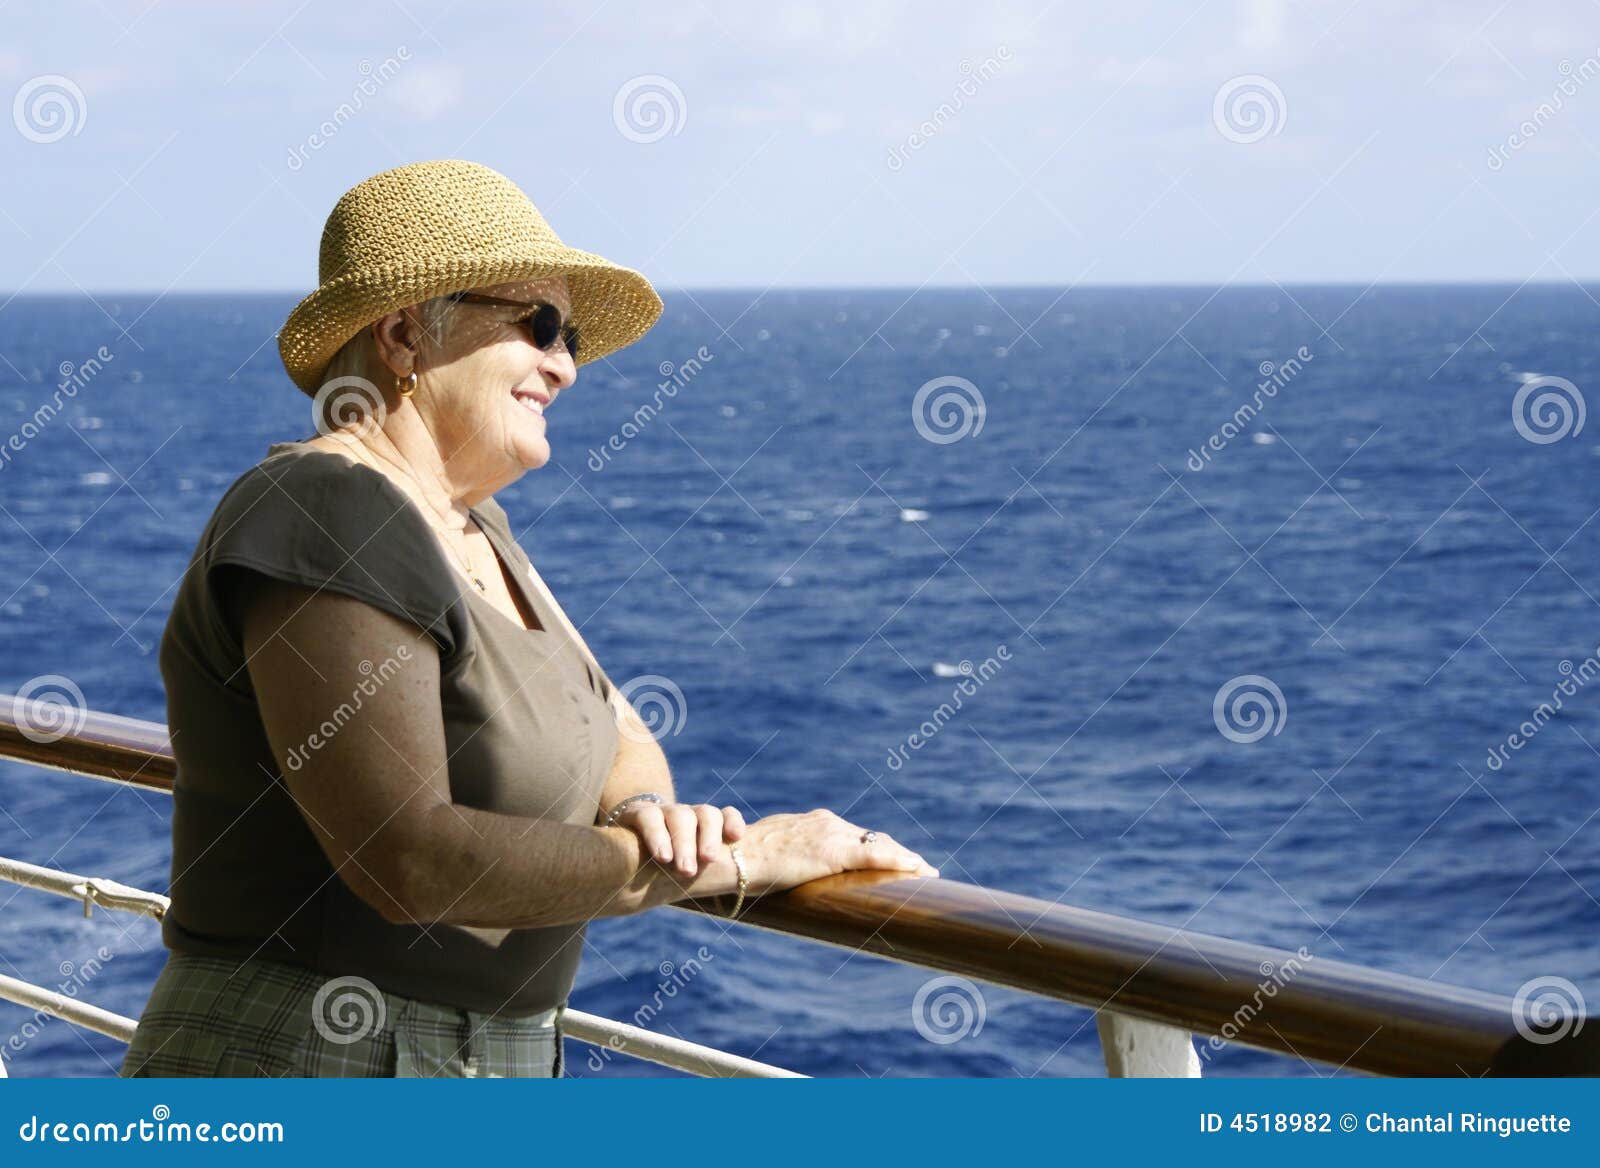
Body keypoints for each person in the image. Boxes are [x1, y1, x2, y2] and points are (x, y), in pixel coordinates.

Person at [120, 159, 937, 1078]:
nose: (566, 365)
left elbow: (620, 730)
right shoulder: (326, 510)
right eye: (539, 324)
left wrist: (643, 812)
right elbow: (409, 859)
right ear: (402, 336)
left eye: (573, 336)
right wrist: (738, 861)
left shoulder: (472, 527)